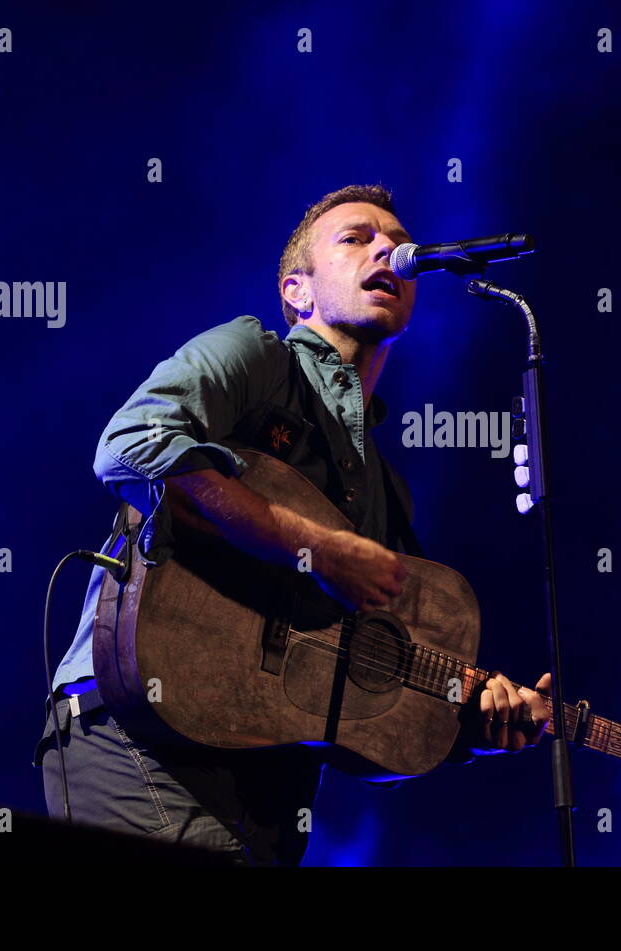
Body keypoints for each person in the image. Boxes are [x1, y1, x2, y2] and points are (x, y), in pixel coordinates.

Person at [34, 183, 551, 865]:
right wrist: (319, 546)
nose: (387, 249)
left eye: (393, 239)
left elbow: (375, 695)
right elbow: (130, 443)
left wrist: (470, 721)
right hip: (140, 733)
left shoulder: (386, 490)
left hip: (269, 779)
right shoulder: (252, 356)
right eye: (356, 238)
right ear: (298, 293)